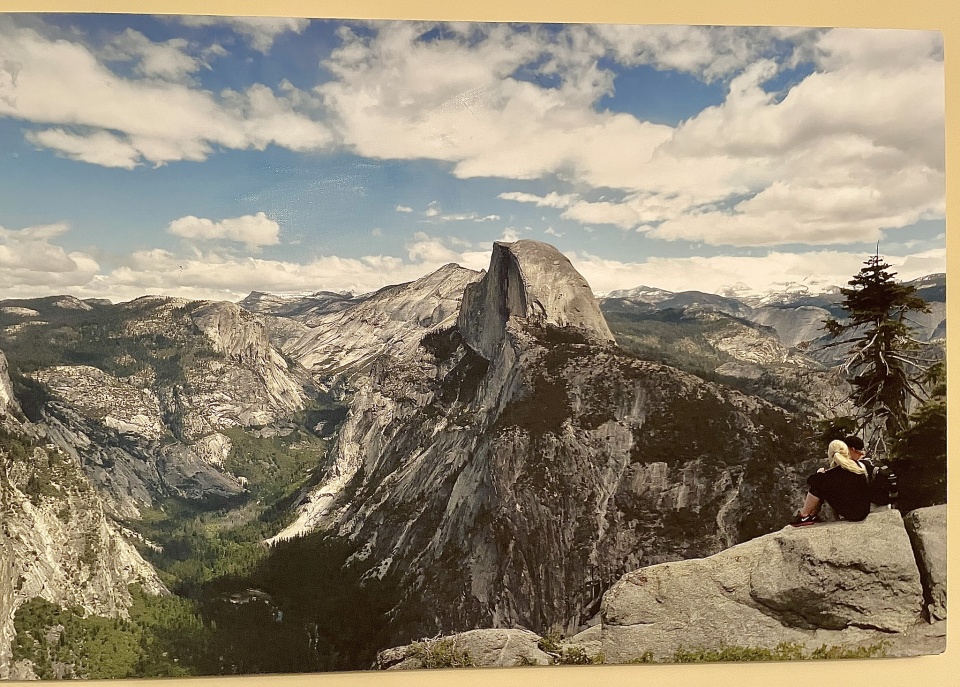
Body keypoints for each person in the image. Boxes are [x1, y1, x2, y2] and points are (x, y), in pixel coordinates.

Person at [789, 436, 873, 526]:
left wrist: (820, 474)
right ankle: (811, 515)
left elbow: (810, 481)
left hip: (851, 514)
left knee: (818, 486)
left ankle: (805, 515)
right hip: (864, 510)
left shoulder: (829, 475)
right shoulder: (860, 466)